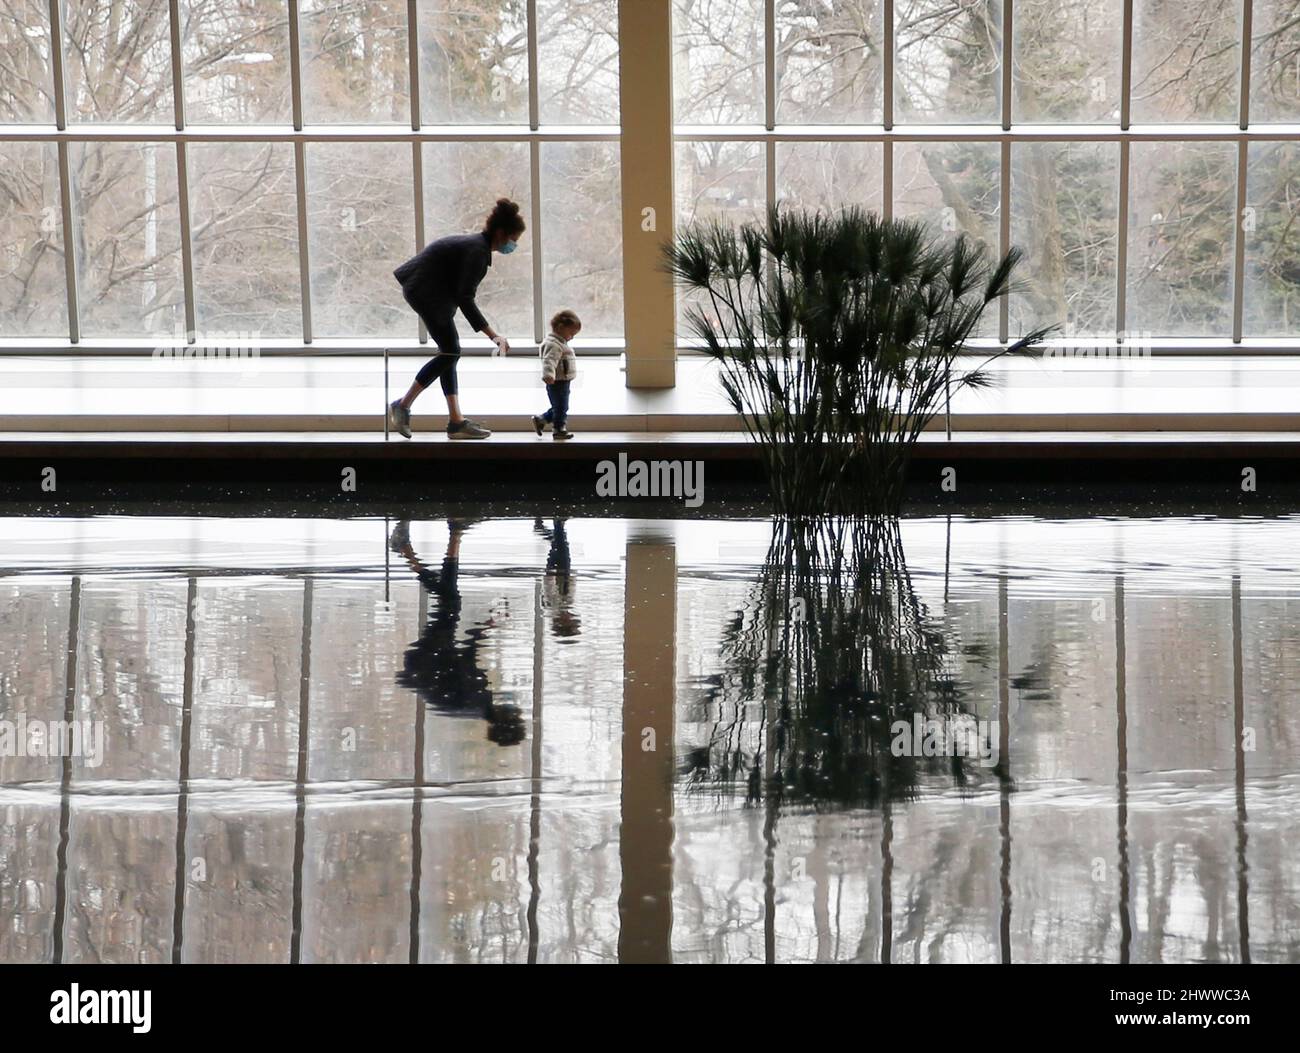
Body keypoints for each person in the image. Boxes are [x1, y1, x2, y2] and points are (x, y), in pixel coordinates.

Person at [388, 198, 525, 440]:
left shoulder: (476, 246)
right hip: (425, 292)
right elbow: (465, 297)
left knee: (450, 352)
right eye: (513, 239)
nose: (514, 245)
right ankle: (403, 405)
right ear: (501, 233)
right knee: (451, 352)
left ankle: (455, 421)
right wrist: (493, 335)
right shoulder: (478, 253)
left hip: (427, 290)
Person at [530, 309, 580, 441]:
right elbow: (549, 361)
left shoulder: (560, 343)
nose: (572, 337)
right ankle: (558, 428)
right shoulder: (553, 344)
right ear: (561, 328)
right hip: (557, 381)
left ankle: (541, 419)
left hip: (563, 380)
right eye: (571, 333)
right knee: (561, 406)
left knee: (561, 406)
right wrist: (549, 375)